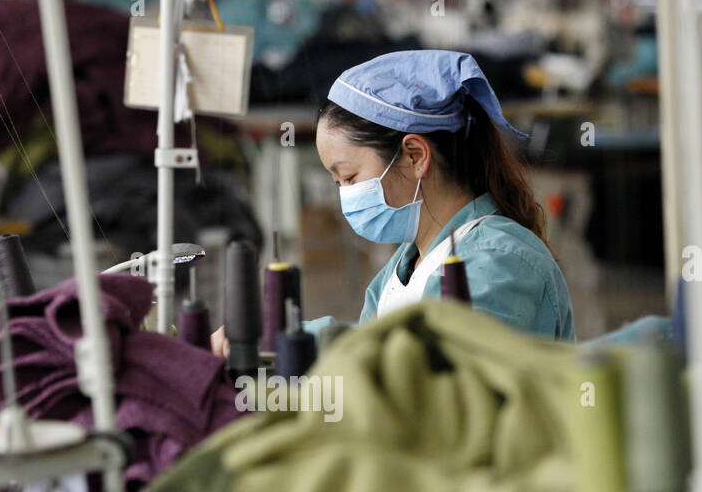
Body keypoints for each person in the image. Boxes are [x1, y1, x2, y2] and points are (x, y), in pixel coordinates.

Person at [211, 50, 574, 358]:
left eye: (350, 178)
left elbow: (424, 368)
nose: (345, 197)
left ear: (415, 156)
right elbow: (371, 342)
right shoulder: (405, 266)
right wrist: (276, 339)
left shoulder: (498, 263)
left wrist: (295, 343)